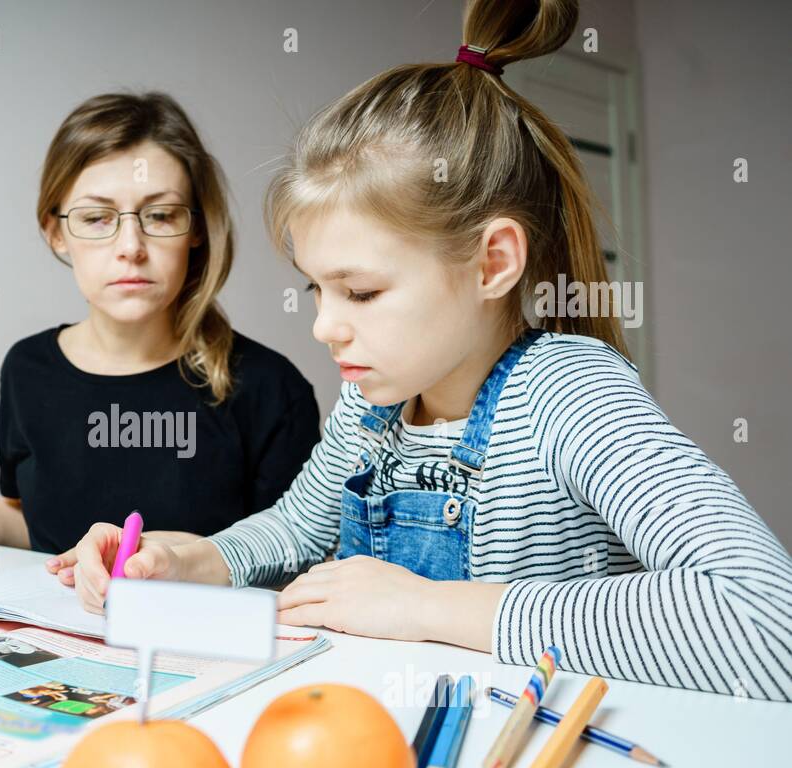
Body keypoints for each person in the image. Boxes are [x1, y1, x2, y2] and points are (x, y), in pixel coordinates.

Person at [57, 0, 792, 700]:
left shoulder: (568, 396)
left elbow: (765, 620)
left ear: (492, 262)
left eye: (363, 292)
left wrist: (429, 608)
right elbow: (294, 529)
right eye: (317, 290)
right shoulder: (372, 403)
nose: (324, 327)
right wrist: (191, 559)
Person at [0, 92, 319, 570]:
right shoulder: (28, 368)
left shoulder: (270, 387)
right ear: (56, 233)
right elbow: (28, 520)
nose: (130, 246)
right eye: (97, 218)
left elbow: (290, 549)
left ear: (198, 231)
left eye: (160, 215)